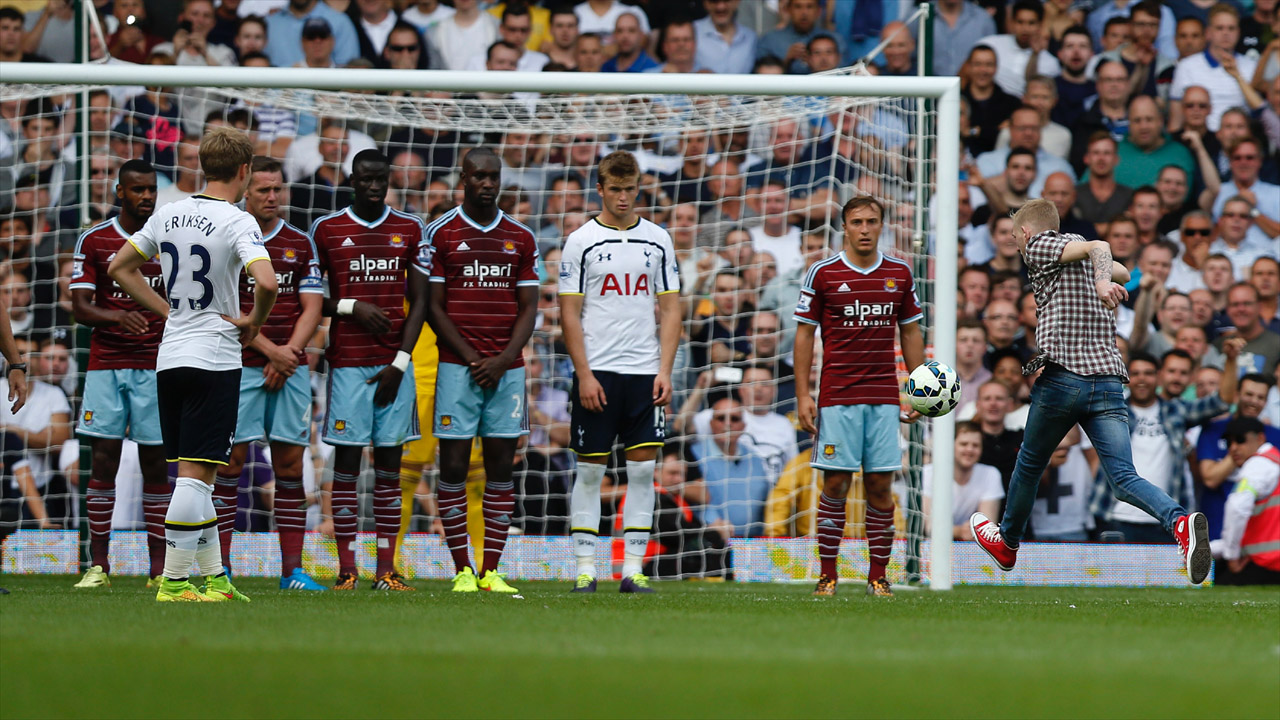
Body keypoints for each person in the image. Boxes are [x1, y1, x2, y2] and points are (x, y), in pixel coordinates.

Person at [968, 198, 1218, 586]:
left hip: (1063, 379)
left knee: (1030, 464)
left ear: (1028, 232)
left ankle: (1008, 543)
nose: (1017, 242)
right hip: (1107, 383)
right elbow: (1118, 266)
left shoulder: (1040, 246)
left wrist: (1102, 280)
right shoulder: (1078, 252)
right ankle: (1181, 522)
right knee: (1123, 478)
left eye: (1016, 234)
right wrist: (1107, 274)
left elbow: (1103, 252)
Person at [107, 127, 277, 602]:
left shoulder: (169, 213)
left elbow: (119, 267)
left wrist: (168, 313)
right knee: (195, 475)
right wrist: (252, 323)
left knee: (196, 475)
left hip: (170, 356)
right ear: (244, 172)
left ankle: (216, 578)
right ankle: (175, 581)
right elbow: (267, 282)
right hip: (214, 357)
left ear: (205, 166)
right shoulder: (238, 221)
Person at [558, 150, 681, 594]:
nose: (624, 197)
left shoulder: (658, 240)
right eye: (615, 189)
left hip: (645, 373)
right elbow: (569, 314)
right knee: (590, 472)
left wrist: (664, 369)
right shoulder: (580, 241)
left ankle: (632, 569)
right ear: (600, 189)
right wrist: (584, 374)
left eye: (630, 189)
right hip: (599, 372)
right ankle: (586, 569)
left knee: (644, 472)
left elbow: (670, 309)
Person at [794, 196, 925, 598]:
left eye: (871, 221)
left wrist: (919, 389)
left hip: (884, 397)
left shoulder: (899, 274)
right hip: (837, 397)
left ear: (881, 225)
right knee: (834, 484)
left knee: (881, 488)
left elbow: (911, 332)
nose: (864, 229)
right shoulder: (823, 273)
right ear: (844, 227)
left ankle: (878, 577)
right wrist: (803, 393)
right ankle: (828, 575)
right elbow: (804, 335)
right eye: (857, 222)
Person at [312, 149, 429, 591]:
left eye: (381, 178)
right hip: (347, 365)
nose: (374, 186)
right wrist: (350, 307)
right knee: (346, 466)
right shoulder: (326, 229)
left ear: (389, 180)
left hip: (395, 366)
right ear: (352, 181)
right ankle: (347, 569)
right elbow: (307, 297)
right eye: (366, 179)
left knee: (389, 468)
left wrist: (401, 361)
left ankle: (386, 570)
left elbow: (421, 301)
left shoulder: (410, 227)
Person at [424, 147, 539, 595]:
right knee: (452, 467)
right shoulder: (441, 233)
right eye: (479, 176)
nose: (487, 184)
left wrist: (504, 358)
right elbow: (433, 307)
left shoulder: (521, 237)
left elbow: (529, 308)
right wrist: (474, 359)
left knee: (500, 470)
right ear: (464, 178)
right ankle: (461, 570)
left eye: (493, 176)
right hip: (458, 368)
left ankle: (490, 570)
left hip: (506, 370)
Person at [212, 157, 324, 591]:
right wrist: (271, 351)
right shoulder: (227, 237)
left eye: (278, 189)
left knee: (291, 465)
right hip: (237, 365)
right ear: (246, 192)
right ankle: (219, 564)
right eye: (263, 190)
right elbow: (222, 307)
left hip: (290, 366)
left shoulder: (300, 241)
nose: (272, 197)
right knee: (230, 464)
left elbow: (311, 305)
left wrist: (289, 354)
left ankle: (292, 571)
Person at [68, 159, 171, 590]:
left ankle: (158, 569)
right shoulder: (94, 239)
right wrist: (117, 318)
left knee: (156, 465)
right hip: (107, 364)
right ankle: (99, 566)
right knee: (105, 459)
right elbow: (79, 306)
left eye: (150, 189)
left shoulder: (169, 240)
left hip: (157, 363)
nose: (146, 196)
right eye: (137, 190)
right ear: (119, 192)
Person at [1213, 416, 1280, 584]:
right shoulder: (1274, 462)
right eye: (1229, 443)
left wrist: (1231, 556)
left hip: (1264, 563)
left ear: (1260, 438)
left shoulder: (1257, 465)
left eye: (1240, 440)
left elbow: (1237, 508)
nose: (1233, 448)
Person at [924, 421, 1004, 541]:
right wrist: (959, 531)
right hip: (930, 546)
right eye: (963, 444)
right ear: (951, 445)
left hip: (970, 547)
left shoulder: (991, 474)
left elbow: (987, 530)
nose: (970, 450)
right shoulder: (928, 473)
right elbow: (929, 527)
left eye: (975, 445)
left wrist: (968, 532)